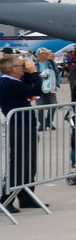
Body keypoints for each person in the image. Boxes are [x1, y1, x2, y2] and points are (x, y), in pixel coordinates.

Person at [1, 53, 48, 210]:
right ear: (13, 69)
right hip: (19, 127)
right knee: (19, 164)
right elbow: (36, 90)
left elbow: (27, 87)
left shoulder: (12, 81)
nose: (23, 67)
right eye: (20, 66)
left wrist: (28, 73)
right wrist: (34, 72)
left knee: (28, 163)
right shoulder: (8, 83)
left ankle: (26, 197)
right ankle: (6, 198)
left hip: (24, 125)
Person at [34, 48, 60, 127]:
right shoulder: (34, 64)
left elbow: (57, 74)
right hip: (39, 88)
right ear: (39, 54)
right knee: (40, 107)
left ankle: (49, 121)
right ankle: (42, 124)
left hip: (51, 87)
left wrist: (56, 84)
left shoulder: (51, 63)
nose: (48, 55)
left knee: (54, 105)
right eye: (46, 53)